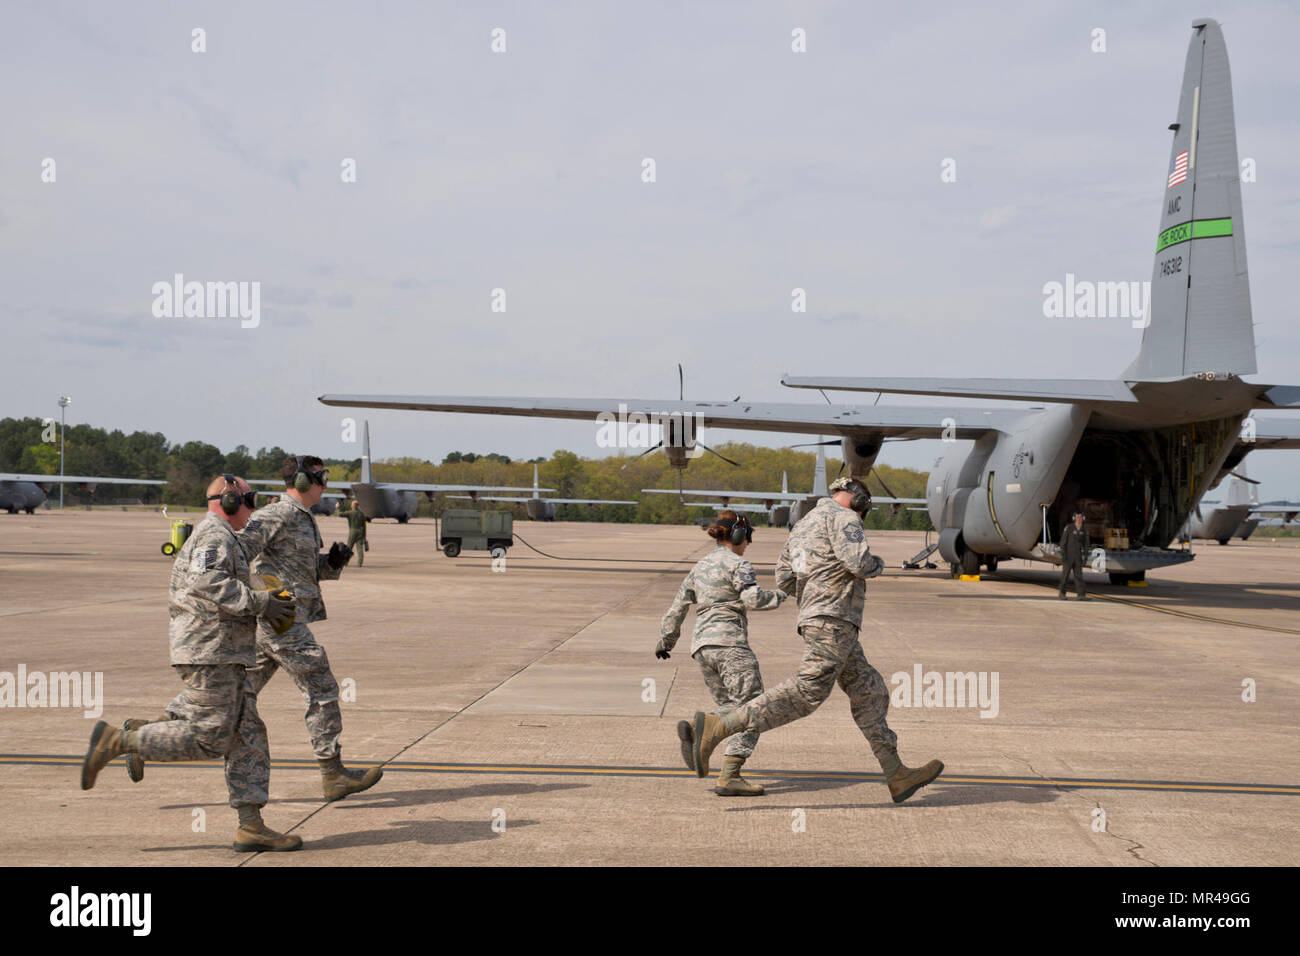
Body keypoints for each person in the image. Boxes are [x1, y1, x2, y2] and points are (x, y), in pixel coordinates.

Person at [686, 477, 944, 804]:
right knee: (807, 693)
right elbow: (858, 564)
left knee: (868, 687)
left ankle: (896, 773)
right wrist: (878, 564)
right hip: (833, 619)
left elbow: (784, 578)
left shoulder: (802, 525)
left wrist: (812, 593)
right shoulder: (845, 518)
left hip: (824, 620)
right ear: (859, 499)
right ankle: (717, 727)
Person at [80, 474, 302, 851]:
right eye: (249, 498)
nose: (253, 506)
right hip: (210, 650)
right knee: (211, 736)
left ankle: (250, 826)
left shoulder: (226, 536)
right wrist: (262, 602)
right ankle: (120, 741)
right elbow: (206, 582)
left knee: (247, 736)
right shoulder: (214, 535)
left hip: (225, 651)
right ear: (229, 502)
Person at [239, 455, 382, 801]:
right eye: (321, 477)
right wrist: (261, 594)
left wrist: (331, 564)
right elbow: (238, 554)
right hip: (280, 621)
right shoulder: (275, 514)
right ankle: (332, 774)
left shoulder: (303, 518)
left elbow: (301, 570)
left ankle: (138, 736)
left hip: (282, 621)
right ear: (302, 481)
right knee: (322, 687)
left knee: (232, 694)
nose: (325, 483)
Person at [658, 511, 786, 796]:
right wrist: (781, 595)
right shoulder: (738, 564)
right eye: (748, 537)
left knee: (731, 707)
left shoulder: (700, 566)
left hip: (702, 648)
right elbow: (752, 599)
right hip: (730, 646)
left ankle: (698, 731)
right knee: (754, 709)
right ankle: (729, 774)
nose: (748, 544)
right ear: (739, 536)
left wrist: (666, 641)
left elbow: (678, 606)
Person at [1059, 510, 1090, 600]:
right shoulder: (1069, 528)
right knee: (1065, 576)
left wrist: (1085, 557)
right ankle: (1062, 593)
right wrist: (1064, 555)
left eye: (1080, 517)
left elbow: (1086, 545)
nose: (1079, 519)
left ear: (1083, 518)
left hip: (1078, 557)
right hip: (1068, 556)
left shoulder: (1084, 530)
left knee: (1079, 576)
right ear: (1074, 518)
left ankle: (1081, 595)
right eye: (1077, 517)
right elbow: (1063, 542)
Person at [343, 499, 368, 567]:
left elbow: (340, 514)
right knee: (360, 549)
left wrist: (337, 507)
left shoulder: (350, 513)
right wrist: (364, 537)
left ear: (353, 506)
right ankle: (360, 563)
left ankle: (345, 562)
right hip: (360, 532)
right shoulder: (362, 514)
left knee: (349, 547)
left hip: (353, 531)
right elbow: (364, 526)